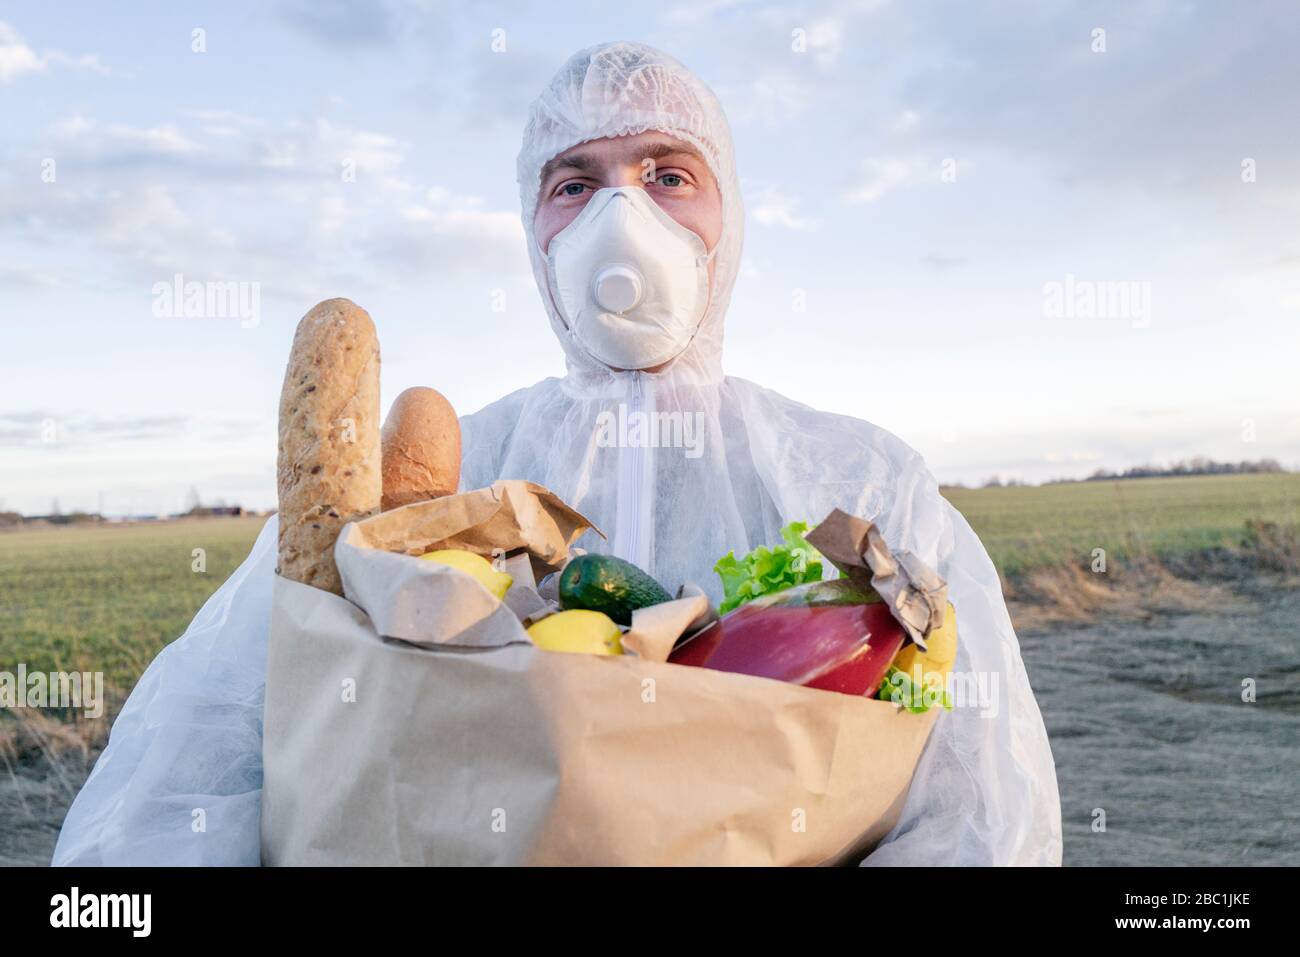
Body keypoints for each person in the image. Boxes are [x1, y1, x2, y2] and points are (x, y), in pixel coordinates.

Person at [54, 41, 1062, 866]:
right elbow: (206, 744)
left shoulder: (860, 478)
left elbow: (980, 811)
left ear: (731, 215)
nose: (623, 218)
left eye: (669, 174)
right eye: (574, 184)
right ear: (532, 228)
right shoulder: (434, 482)